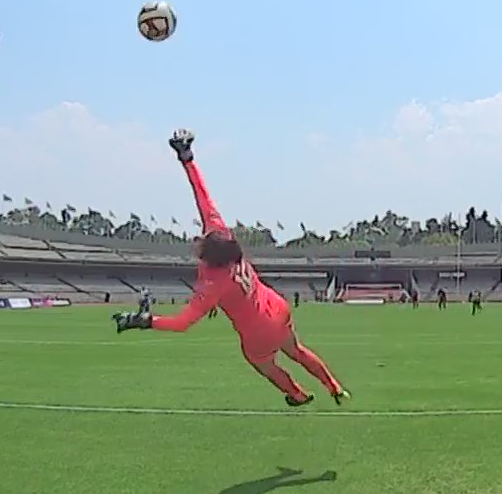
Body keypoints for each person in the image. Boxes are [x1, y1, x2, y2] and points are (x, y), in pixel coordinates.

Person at [114, 131, 349, 407]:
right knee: (296, 351)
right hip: (276, 308)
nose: (198, 239)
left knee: (264, 364)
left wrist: (144, 321)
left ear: (209, 254)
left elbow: (182, 323)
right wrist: (187, 159)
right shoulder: (222, 234)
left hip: (257, 331)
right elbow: (203, 196)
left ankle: (297, 393)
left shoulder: (213, 284)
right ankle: (333, 386)